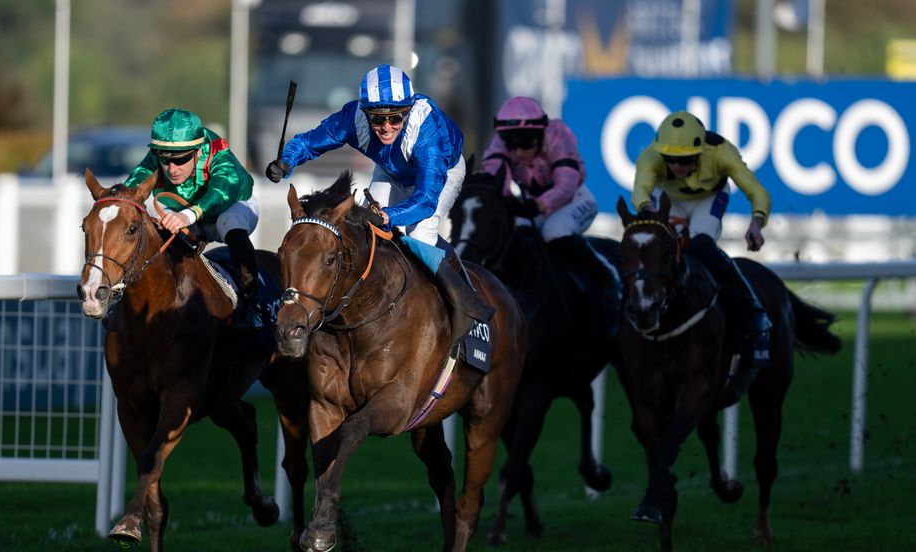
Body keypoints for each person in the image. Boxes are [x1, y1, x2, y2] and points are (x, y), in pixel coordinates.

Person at [265, 64, 493, 346]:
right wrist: (286, 162)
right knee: (366, 232)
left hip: (443, 173)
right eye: (377, 119)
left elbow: (424, 200)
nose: (386, 127)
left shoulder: (427, 131)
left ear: (408, 112)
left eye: (396, 118)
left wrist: (388, 215)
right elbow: (309, 141)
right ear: (365, 113)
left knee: (419, 233)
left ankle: (464, 300)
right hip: (391, 169)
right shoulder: (353, 117)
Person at [632, 110, 772, 367]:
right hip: (669, 198)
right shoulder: (650, 156)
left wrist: (757, 223)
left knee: (700, 245)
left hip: (709, 198)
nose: (677, 167)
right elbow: (641, 190)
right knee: (657, 247)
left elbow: (757, 192)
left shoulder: (721, 152)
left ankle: (754, 312)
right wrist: (650, 213)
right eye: (670, 159)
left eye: (685, 160)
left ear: (700, 151)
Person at [481, 96, 621, 334]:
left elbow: (566, 185)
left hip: (574, 199)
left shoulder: (557, 135)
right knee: (517, 238)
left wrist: (539, 206)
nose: (518, 151)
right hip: (533, 203)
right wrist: (506, 198)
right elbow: (494, 176)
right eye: (511, 144)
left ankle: (606, 274)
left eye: (525, 143)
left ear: (539, 135)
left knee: (554, 232)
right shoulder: (501, 144)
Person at [125, 107, 264, 329]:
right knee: (154, 226)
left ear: (198, 152)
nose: (172, 169)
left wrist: (187, 216)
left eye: (180, 160)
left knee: (230, 224)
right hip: (187, 215)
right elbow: (135, 184)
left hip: (232, 206)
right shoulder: (162, 154)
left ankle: (253, 303)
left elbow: (222, 191)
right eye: (165, 160)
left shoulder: (218, 153)